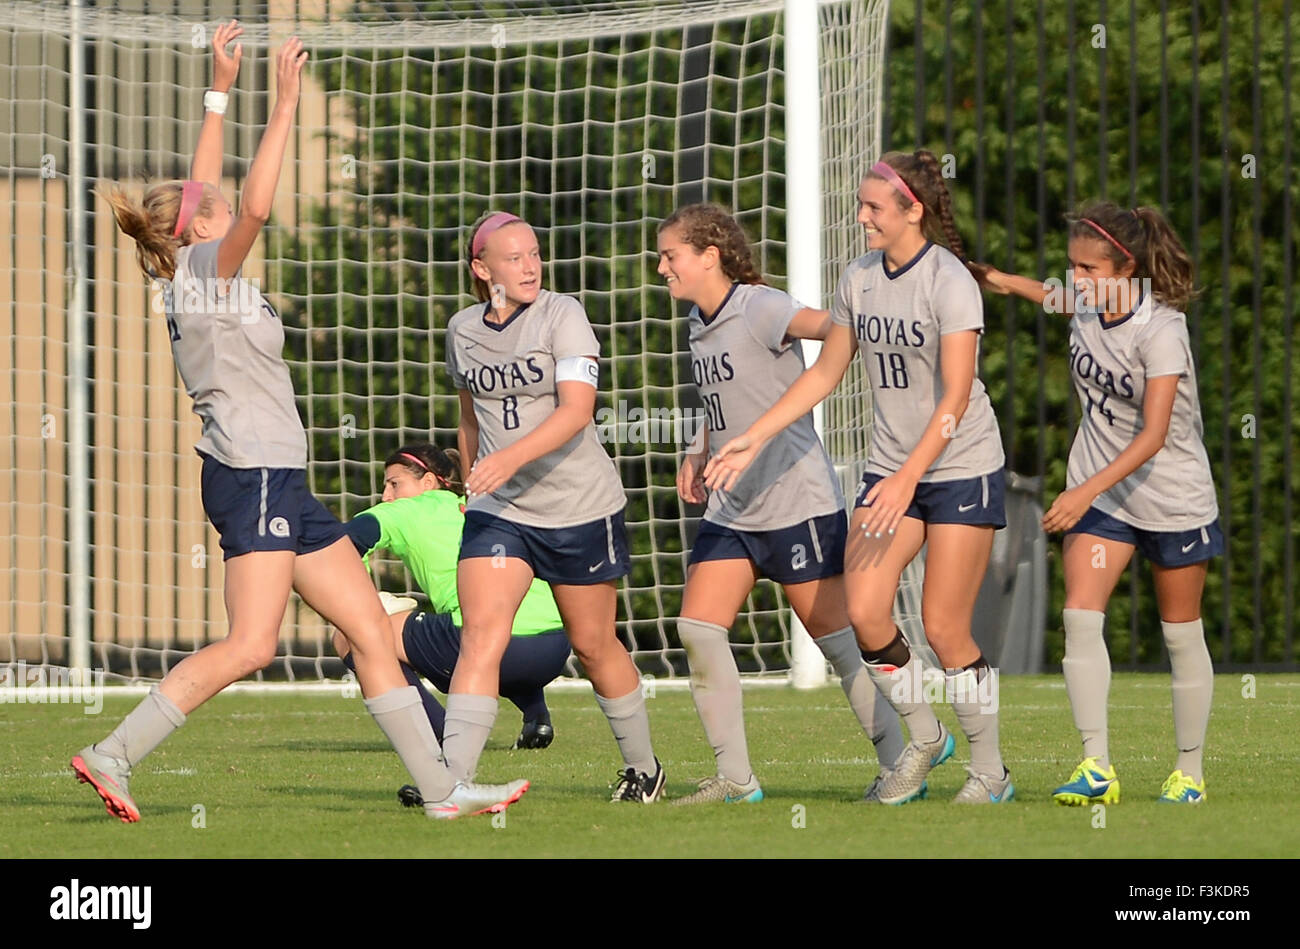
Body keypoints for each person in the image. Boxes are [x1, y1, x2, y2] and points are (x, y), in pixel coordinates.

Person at [79, 22, 526, 822]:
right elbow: (252, 199)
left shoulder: (196, 265)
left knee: (367, 630)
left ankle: (442, 790)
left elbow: (206, 184)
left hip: (280, 478)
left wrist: (221, 86)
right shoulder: (207, 272)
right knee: (253, 643)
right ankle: (113, 752)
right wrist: (282, 102)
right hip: (251, 476)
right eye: (200, 201)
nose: (205, 191)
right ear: (198, 226)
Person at [706, 150, 1014, 805]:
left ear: (913, 210)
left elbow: (956, 396)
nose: (861, 216)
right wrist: (751, 436)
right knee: (868, 611)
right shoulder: (860, 277)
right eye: (861, 204)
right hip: (891, 467)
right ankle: (925, 738)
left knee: (944, 628)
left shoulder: (949, 279)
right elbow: (823, 372)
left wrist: (908, 478)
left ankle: (991, 772)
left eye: (873, 206)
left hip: (960, 466)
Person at [656, 203, 905, 804]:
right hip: (732, 508)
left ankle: (902, 758)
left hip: (797, 503)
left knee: (840, 641)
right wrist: (698, 447)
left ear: (709, 256)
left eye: (670, 256)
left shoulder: (759, 305)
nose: (661, 268)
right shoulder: (699, 319)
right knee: (697, 627)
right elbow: (726, 402)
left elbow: (834, 329)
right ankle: (736, 779)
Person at [971, 201, 1219, 804]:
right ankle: (1096, 767)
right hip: (1106, 496)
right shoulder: (1083, 300)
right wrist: (999, 280)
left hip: (1171, 496)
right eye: (1072, 267)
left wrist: (1081, 491)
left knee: (1181, 633)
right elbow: (1046, 294)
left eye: (1089, 268)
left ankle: (1189, 772)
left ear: (1126, 267)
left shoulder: (1162, 330)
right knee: (1081, 616)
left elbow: (1155, 434)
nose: (1076, 280)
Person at [441, 210, 665, 802]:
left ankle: (644, 767)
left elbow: (576, 411)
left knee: (593, 646)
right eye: (514, 257)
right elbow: (469, 419)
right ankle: (451, 780)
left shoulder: (563, 314)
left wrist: (507, 460)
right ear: (481, 268)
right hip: (501, 512)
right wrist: (472, 484)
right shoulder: (461, 328)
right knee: (481, 635)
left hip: (579, 508)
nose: (531, 265)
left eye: (535, 253)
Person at [331, 443, 572, 807]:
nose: (386, 494)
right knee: (494, 620)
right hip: (554, 647)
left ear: (429, 481)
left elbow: (342, 544)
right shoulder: (485, 504)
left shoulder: (404, 511)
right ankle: (536, 715)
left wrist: (365, 601)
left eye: (394, 484)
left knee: (350, 637)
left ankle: (441, 749)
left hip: (490, 649)